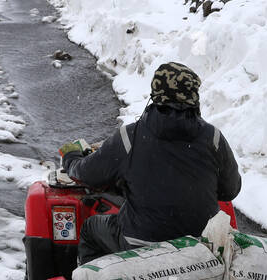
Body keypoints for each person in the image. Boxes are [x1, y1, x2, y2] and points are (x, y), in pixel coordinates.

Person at [59, 62, 241, 264]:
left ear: (155, 95)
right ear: (194, 97)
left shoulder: (130, 137)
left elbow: (87, 174)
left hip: (141, 243)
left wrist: (72, 158)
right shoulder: (213, 138)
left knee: (90, 229)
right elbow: (229, 191)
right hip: (201, 244)